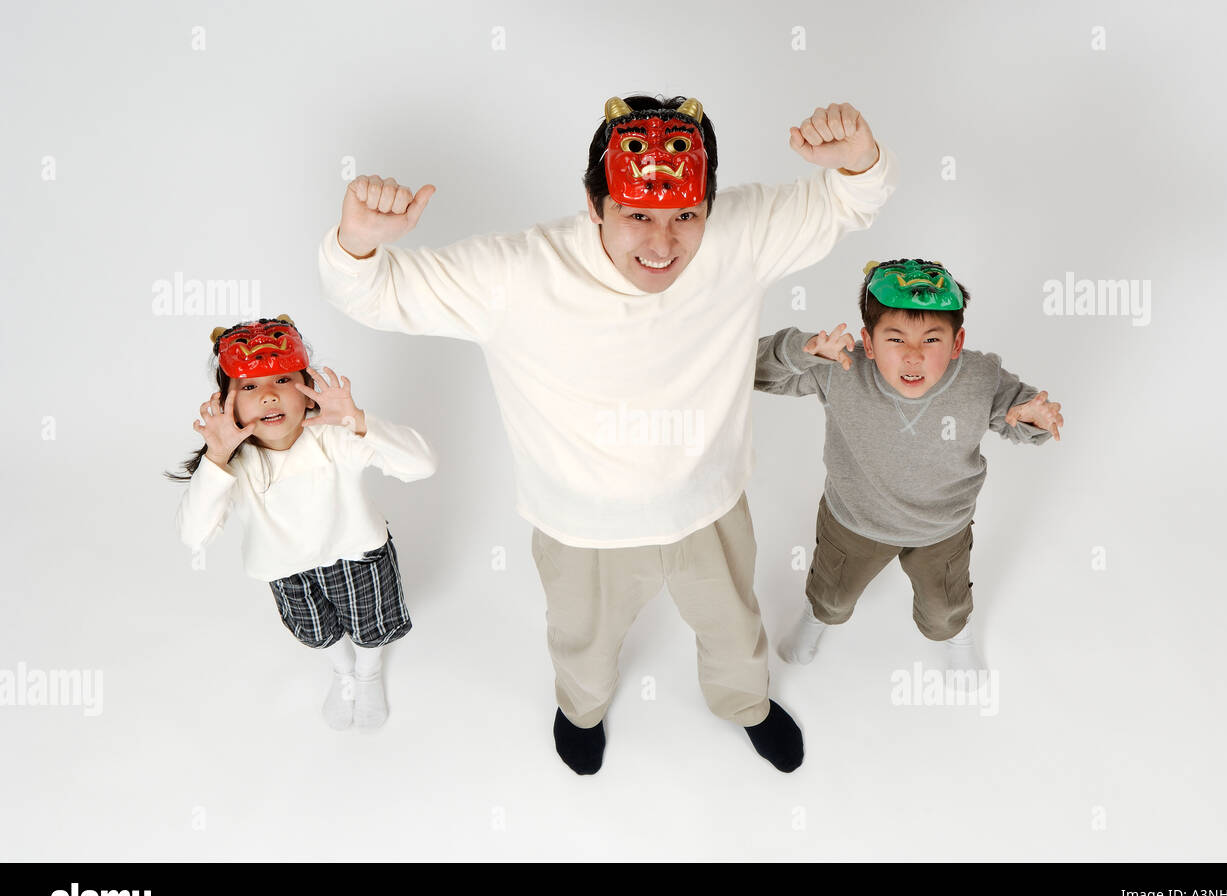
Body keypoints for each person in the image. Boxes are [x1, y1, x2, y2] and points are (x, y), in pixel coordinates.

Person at [318, 94, 898, 774]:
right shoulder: (516, 275)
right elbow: (372, 292)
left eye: (685, 215)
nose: (662, 243)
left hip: (708, 507)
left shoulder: (738, 236)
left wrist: (859, 159)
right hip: (580, 527)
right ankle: (581, 708)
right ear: (594, 206)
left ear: (710, 206)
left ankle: (747, 703)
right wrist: (355, 239)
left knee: (736, 629)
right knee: (583, 644)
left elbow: (850, 201)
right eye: (636, 216)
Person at [754, 258, 1064, 673]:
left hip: (942, 527)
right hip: (855, 520)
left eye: (932, 340)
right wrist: (803, 350)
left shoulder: (980, 376)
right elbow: (755, 372)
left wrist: (1032, 420)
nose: (913, 357)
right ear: (868, 340)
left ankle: (958, 637)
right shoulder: (841, 366)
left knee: (945, 609)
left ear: (957, 344)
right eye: (896, 340)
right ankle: (817, 618)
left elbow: (1019, 414)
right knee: (832, 593)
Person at [166, 315, 437, 729]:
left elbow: (422, 465)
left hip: (357, 558)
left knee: (371, 627)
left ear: (307, 388)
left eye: (281, 380)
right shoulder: (235, 466)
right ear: (227, 403)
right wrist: (215, 459)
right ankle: (342, 672)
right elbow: (193, 535)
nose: (269, 397)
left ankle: (367, 673)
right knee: (317, 632)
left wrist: (358, 421)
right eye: (250, 387)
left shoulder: (334, 437)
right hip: (287, 571)